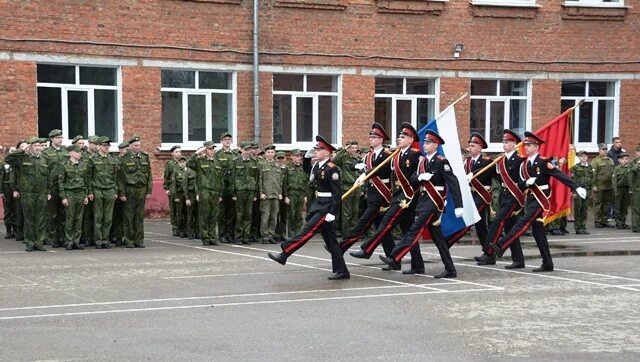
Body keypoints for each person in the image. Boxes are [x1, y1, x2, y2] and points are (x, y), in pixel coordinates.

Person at [490, 132, 587, 272]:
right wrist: (526, 183)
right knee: (538, 232)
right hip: (530, 198)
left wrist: (576, 187)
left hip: (541, 200)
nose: (525, 147)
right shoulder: (524, 164)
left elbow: (559, 175)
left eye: (528, 145)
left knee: (523, 222)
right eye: (525, 145)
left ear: (536, 147)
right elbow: (520, 184)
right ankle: (547, 263)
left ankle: (501, 245)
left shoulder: (543, 162)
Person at [379, 130, 464, 278]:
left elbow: (453, 182)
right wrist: (420, 176)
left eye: (428, 143)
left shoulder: (441, 161)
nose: (425, 145)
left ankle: (394, 257)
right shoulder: (422, 161)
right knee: (439, 240)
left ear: (435, 145)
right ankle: (450, 269)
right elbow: (412, 179)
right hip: (423, 201)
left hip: (433, 202)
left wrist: (459, 205)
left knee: (414, 230)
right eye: (424, 142)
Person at [268, 135, 349, 280]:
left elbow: (337, 193)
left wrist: (333, 212)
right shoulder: (317, 166)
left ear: (327, 152)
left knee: (307, 231)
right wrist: (306, 156)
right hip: (318, 204)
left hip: (326, 208)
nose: (316, 152)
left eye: (319, 150)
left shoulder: (332, 168)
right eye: (316, 149)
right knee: (331, 241)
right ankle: (342, 271)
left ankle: (284, 253)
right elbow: (307, 169)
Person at [349, 122, 422, 273]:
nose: (399, 139)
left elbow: (421, 171)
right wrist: (366, 172)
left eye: (403, 137)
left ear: (411, 139)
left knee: (386, 223)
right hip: (398, 195)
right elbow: (382, 169)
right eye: (399, 137)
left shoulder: (415, 154)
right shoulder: (396, 154)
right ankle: (417, 265)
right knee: (408, 231)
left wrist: (417, 178)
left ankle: (367, 250)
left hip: (408, 197)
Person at [338, 123, 392, 256]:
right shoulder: (369, 155)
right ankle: (393, 259)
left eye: (374, 137)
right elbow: (354, 165)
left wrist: (366, 173)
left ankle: (342, 247)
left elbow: (382, 169)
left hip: (382, 193)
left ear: (380, 140)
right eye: (371, 137)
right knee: (383, 229)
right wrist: (358, 166)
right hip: (372, 193)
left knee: (362, 223)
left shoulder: (387, 155)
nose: (371, 139)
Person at [478, 130, 526, 268]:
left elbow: (523, 178)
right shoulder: (501, 160)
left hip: (514, 197)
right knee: (510, 228)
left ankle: (488, 253)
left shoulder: (520, 160)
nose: (504, 145)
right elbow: (489, 172)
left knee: (497, 221)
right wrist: (472, 175)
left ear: (514, 144)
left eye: (507, 142)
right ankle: (518, 260)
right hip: (504, 197)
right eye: (503, 142)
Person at [447, 133, 494, 259]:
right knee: (480, 226)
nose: (469, 148)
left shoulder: (487, 161)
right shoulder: (467, 162)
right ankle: (488, 253)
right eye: (469, 145)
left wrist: (473, 174)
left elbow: (489, 171)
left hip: (482, 196)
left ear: (479, 148)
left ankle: (489, 253)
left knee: (476, 223)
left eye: (473, 146)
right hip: (470, 196)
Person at [5, 137, 52, 252]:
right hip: (28, 193)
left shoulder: (45, 159)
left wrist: (49, 191)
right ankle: (30, 242)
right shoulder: (22, 158)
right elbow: (7, 159)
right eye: (35, 146)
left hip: (41, 193)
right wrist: (22, 150)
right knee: (29, 219)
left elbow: (49, 177)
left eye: (39, 146)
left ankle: (39, 242)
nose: (37, 148)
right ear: (30, 147)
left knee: (41, 219)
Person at [187, 141, 224, 246]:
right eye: (210, 149)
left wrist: (220, 194)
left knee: (213, 215)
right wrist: (196, 153)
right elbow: (189, 164)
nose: (212, 151)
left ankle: (212, 237)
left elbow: (221, 179)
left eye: (213, 149)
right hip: (204, 191)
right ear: (205, 150)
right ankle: (205, 237)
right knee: (204, 215)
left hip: (215, 192)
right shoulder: (200, 161)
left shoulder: (218, 162)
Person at [119, 135, 152, 248]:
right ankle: (129, 240)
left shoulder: (145, 157)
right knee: (129, 216)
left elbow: (149, 175)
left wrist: (148, 191)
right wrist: (122, 193)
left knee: (139, 216)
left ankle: (139, 240)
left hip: (141, 189)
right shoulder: (124, 158)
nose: (138, 147)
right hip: (130, 189)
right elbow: (121, 178)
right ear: (130, 146)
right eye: (135, 145)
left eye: (139, 145)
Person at [86, 137, 118, 249]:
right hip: (97, 189)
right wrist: (90, 191)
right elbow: (89, 177)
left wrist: (115, 190)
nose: (107, 147)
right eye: (104, 145)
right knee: (98, 217)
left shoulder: (112, 159)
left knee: (108, 218)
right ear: (99, 146)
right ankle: (98, 240)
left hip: (109, 189)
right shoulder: (93, 159)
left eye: (108, 146)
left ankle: (105, 239)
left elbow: (115, 177)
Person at [59, 145, 91, 250]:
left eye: (80, 152)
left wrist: (86, 195)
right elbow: (61, 183)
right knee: (70, 218)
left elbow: (87, 182)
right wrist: (63, 197)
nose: (80, 154)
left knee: (79, 219)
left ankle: (76, 241)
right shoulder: (64, 166)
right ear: (71, 153)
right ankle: (69, 241)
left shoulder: (83, 166)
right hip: (70, 194)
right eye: (77, 152)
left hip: (81, 193)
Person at [41, 129, 68, 247]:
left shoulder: (66, 151)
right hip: (52, 187)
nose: (60, 139)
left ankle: (62, 238)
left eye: (61, 137)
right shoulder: (46, 153)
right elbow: (44, 171)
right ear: (51, 139)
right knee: (52, 214)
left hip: (64, 186)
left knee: (63, 214)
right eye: (57, 138)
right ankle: (53, 238)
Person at [230, 142, 259, 245]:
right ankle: (238, 237)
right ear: (241, 150)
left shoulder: (253, 162)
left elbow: (256, 178)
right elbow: (232, 178)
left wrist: (255, 194)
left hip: (250, 190)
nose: (247, 152)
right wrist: (233, 193)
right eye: (246, 150)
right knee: (239, 214)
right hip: (239, 190)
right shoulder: (235, 162)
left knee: (248, 215)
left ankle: (246, 237)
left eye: (249, 150)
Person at [333, 140, 362, 236]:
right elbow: (334, 160)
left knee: (355, 211)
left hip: (357, 186)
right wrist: (343, 150)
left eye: (355, 148)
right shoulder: (343, 158)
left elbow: (362, 173)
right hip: (347, 186)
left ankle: (353, 232)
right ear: (348, 148)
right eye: (352, 148)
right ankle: (346, 232)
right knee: (347, 212)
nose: (354, 149)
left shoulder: (358, 158)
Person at [258, 144, 284, 244]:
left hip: (275, 195)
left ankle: (270, 234)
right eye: (268, 152)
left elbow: (280, 181)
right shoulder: (262, 164)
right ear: (265, 154)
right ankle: (264, 236)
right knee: (265, 216)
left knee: (274, 216)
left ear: (274, 154)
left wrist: (280, 193)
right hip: (266, 195)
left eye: (272, 152)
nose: (270, 154)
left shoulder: (277, 166)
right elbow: (259, 179)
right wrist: (261, 192)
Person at [216, 132, 236, 243]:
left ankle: (229, 234)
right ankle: (222, 234)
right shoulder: (218, 155)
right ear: (221, 141)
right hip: (222, 187)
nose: (227, 141)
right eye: (225, 139)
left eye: (229, 139)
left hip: (232, 187)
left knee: (231, 213)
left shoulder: (235, 155)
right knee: (222, 213)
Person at [284, 149, 308, 237]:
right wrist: (286, 196)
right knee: (291, 214)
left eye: (300, 156)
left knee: (299, 214)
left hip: (301, 193)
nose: (299, 158)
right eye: (297, 156)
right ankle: (291, 234)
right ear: (292, 157)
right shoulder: (288, 167)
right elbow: (284, 183)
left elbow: (306, 182)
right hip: (292, 193)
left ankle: (298, 234)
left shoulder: (303, 167)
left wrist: (305, 195)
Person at [591, 143, 615, 228]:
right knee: (598, 204)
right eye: (603, 149)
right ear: (599, 151)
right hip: (599, 186)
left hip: (609, 186)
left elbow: (613, 174)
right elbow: (593, 174)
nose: (605, 151)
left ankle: (604, 220)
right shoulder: (595, 161)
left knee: (606, 204)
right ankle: (597, 221)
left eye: (606, 149)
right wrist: (594, 185)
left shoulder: (610, 160)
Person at [110, 141, 128, 245]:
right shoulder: (116, 160)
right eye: (125, 149)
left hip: (127, 191)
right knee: (117, 216)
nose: (127, 151)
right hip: (117, 191)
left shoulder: (130, 159)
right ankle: (117, 237)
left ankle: (125, 237)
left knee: (126, 216)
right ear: (120, 150)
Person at [571, 150, 593, 235]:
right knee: (578, 210)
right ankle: (578, 228)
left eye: (585, 156)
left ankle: (583, 227)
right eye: (582, 156)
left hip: (587, 190)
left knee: (584, 210)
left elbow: (591, 179)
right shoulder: (575, 167)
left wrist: (590, 191)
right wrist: (574, 191)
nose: (583, 158)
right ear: (579, 157)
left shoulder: (590, 167)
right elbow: (572, 180)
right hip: (579, 190)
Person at [163, 145, 182, 236]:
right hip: (173, 189)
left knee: (181, 209)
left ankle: (182, 227)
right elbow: (166, 177)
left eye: (179, 151)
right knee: (174, 210)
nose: (178, 153)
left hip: (182, 189)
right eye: (176, 152)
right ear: (172, 154)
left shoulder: (183, 162)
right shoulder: (170, 164)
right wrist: (166, 188)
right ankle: (175, 227)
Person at [170, 156, 189, 238]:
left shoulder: (188, 171)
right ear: (178, 163)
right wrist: (176, 196)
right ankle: (181, 230)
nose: (182, 164)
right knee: (180, 213)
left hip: (187, 194)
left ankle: (186, 230)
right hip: (179, 194)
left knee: (187, 213)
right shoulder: (175, 171)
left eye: (184, 162)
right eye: (181, 162)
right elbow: (173, 185)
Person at [0, 146, 16, 239]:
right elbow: (1, 178)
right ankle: (9, 231)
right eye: (11, 151)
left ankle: (16, 230)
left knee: (16, 210)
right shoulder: (4, 164)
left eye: (14, 151)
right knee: (8, 210)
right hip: (7, 189)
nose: (13, 152)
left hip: (16, 189)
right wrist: (1, 191)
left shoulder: (17, 163)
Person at [613, 153, 631, 229]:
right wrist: (615, 191)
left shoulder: (630, 169)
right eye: (623, 159)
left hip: (627, 190)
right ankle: (618, 222)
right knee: (618, 207)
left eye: (626, 159)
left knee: (625, 207)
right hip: (619, 189)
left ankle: (623, 222)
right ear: (620, 160)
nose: (625, 161)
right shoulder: (617, 169)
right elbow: (614, 181)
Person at [629, 145, 640, 232]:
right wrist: (637, 165)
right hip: (636, 189)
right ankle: (635, 226)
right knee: (636, 208)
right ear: (636, 152)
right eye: (639, 152)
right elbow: (631, 172)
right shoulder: (633, 162)